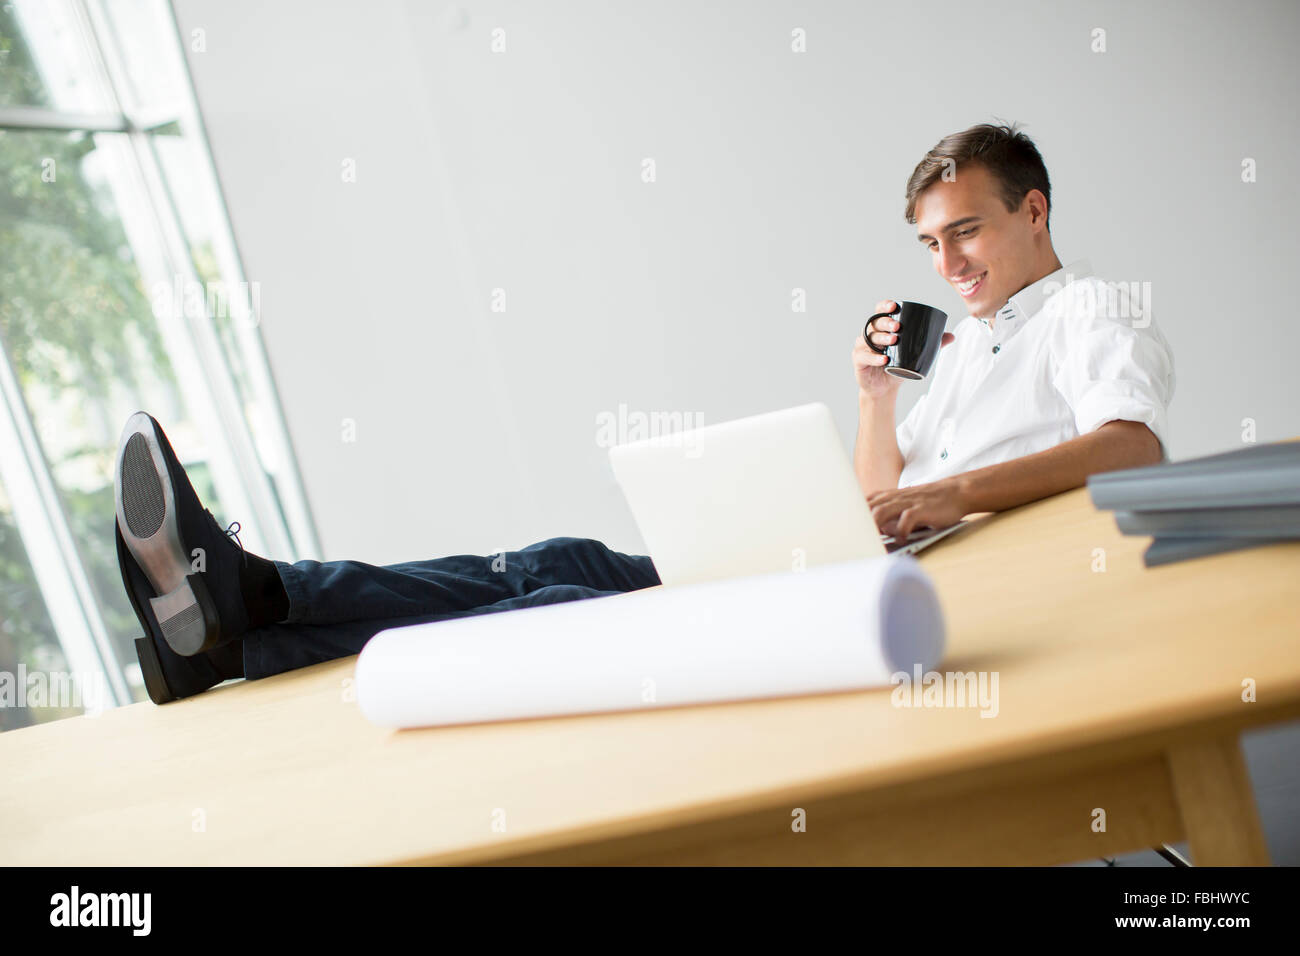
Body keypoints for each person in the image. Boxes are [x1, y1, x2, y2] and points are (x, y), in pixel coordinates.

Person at [116, 120, 1174, 703]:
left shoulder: (1089, 313)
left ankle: (240, 629)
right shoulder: (957, 351)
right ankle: (247, 616)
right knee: (553, 557)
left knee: (560, 601)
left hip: (896, 602)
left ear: (1034, 211)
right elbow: (877, 501)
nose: (949, 264)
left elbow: (1132, 443)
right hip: (853, 561)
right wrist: (871, 402)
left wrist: (949, 491)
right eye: (929, 246)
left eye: (967, 233)